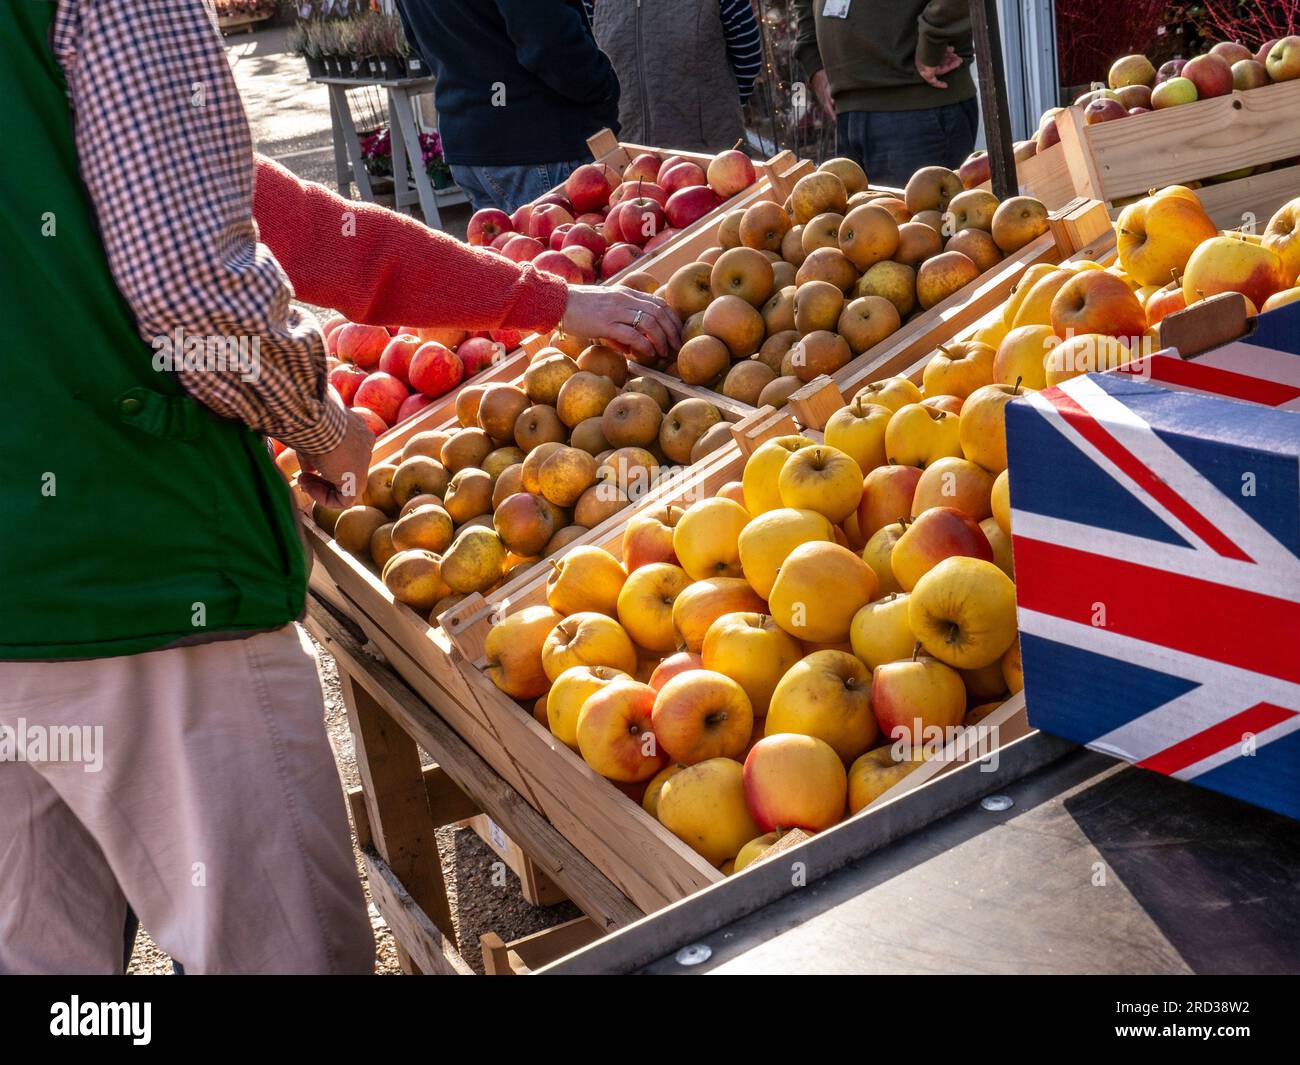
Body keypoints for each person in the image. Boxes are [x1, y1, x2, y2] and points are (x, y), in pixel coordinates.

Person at [1, 0, 675, 975]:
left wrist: (549, 300)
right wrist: (318, 422)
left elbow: (304, 228)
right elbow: (191, 278)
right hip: (146, 579)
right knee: (280, 956)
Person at [395, 0, 621, 214]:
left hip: (472, 138)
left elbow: (419, 39)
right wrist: (601, 85)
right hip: (538, 142)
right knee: (570, 249)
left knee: (515, 253)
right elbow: (547, 37)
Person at [793, 0, 979, 189]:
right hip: (849, 110)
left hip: (916, 107)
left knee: (931, 218)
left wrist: (932, 42)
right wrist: (813, 61)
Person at [584, 0, 763, 153]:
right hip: (628, 158)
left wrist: (714, 112)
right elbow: (588, 67)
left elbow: (748, 56)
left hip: (714, 159)